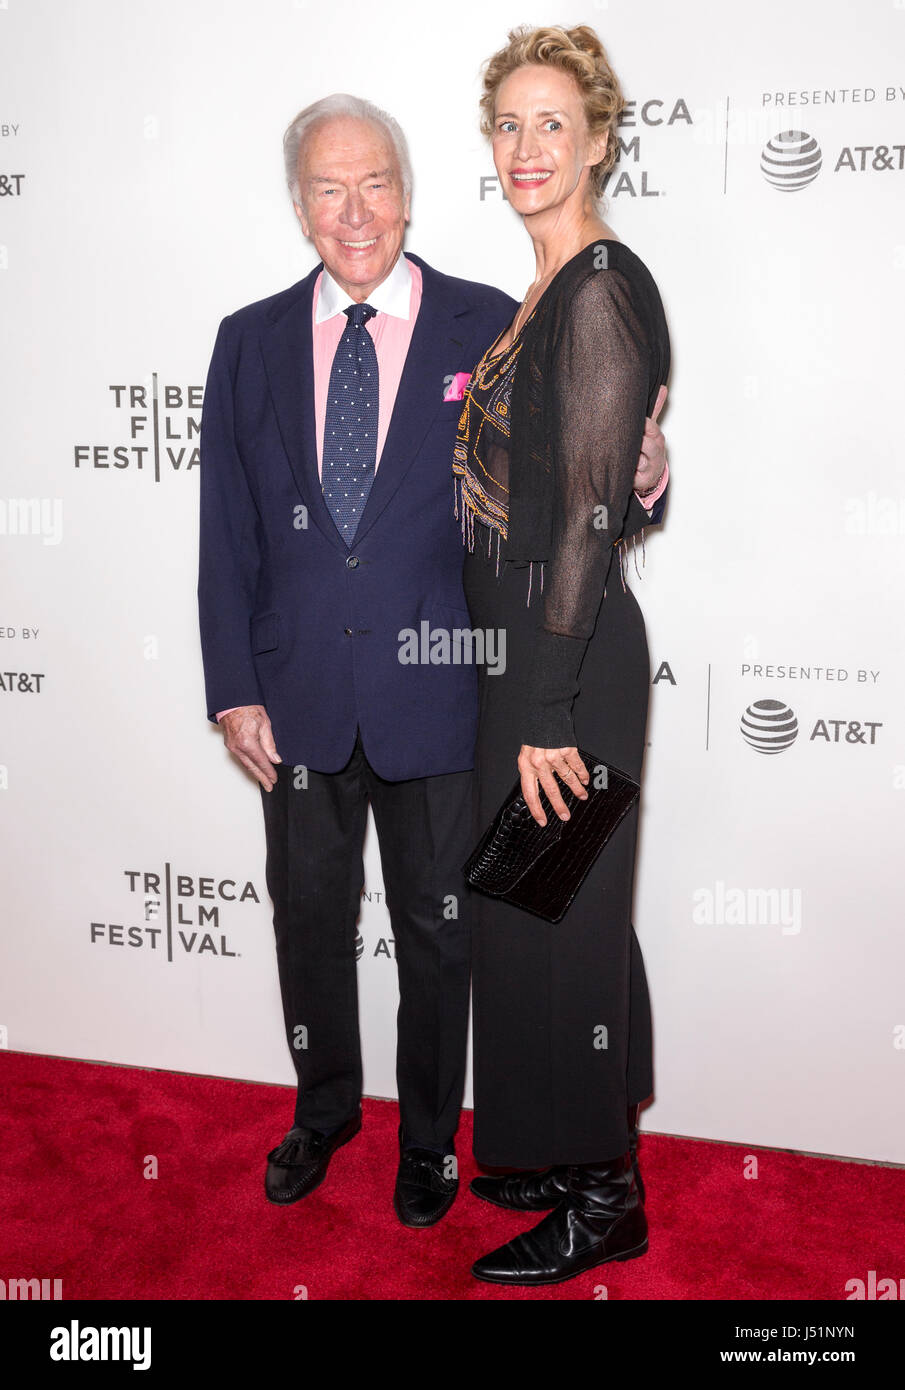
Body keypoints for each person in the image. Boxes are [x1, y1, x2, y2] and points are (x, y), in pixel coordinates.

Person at [197, 92, 669, 1230]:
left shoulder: (491, 319)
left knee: (440, 930)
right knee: (306, 918)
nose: (353, 211)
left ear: (406, 193)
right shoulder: (247, 341)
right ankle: (320, 1114)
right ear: (299, 205)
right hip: (296, 693)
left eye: (373, 184)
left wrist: (648, 475)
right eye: (326, 187)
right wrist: (231, 687)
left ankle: (427, 1141)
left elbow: (576, 488)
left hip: (447, 691)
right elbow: (226, 533)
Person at [456, 25, 671, 1284]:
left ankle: (607, 1196)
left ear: (597, 139)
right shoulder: (538, 289)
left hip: (565, 657)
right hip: (523, 648)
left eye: (554, 124)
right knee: (537, 906)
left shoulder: (593, 282)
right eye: (508, 124)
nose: (527, 148)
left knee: (567, 923)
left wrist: (544, 706)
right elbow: (595, 478)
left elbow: (589, 524)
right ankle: (550, 1141)